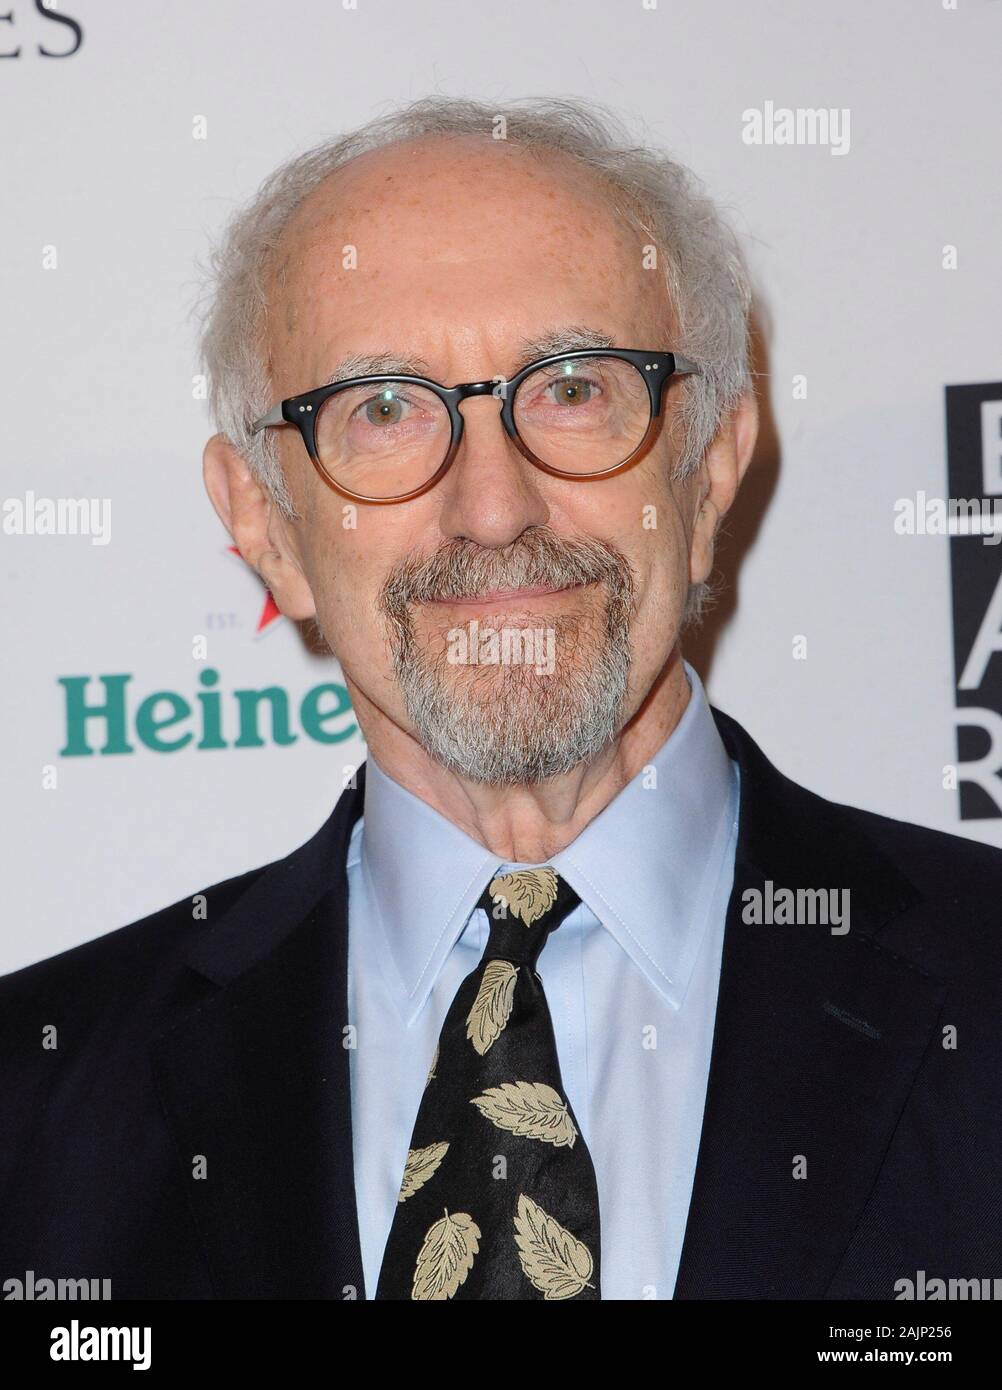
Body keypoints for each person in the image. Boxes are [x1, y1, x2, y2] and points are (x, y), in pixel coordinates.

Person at [1, 96, 1000, 1302]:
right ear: (265, 525)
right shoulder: (38, 1102)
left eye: (573, 387)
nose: (494, 506)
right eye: (381, 407)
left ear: (711, 468)